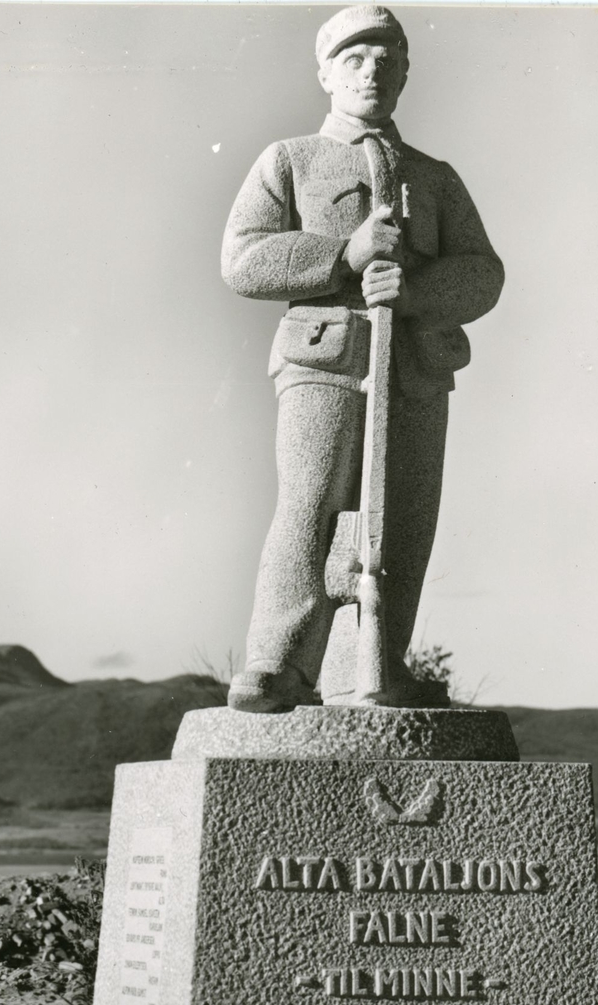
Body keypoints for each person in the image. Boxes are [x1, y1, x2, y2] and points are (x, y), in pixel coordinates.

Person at [222, 4, 503, 713]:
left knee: (405, 516)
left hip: (413, 364)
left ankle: (372, 664)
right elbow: (244, 260)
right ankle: (277, 664)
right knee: (310, 504)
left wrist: (413, 292)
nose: (371, 70)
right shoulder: (291, 159)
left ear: (405, 74)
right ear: (325, 72)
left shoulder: (434, 178)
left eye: (386, 59)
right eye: (354, 58)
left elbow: (481, 272)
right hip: (326, 361)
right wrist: (341, 257)